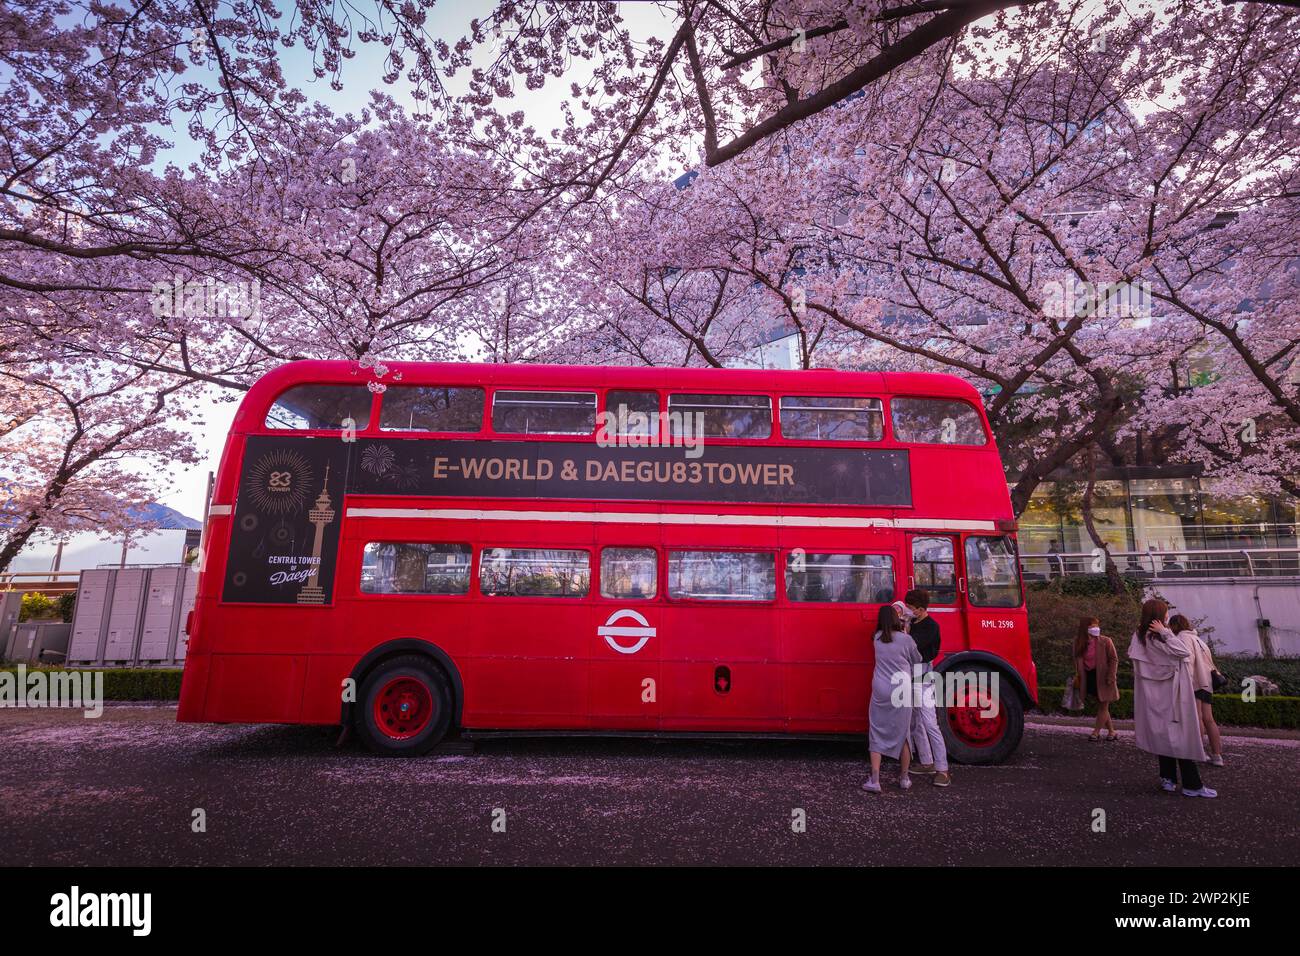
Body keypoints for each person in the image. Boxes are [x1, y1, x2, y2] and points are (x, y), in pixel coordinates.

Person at [1128, 598, 1216, 798]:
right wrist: (1165, 632)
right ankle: (1192, 785)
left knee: (1163, 735)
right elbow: (1182, 652)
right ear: (1160, 616)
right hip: (1173, 693)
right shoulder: (1160, 637)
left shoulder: (1140, 636)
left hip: (1152, 693)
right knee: (1183, 737)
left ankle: (1167, 778)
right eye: (1165, 612)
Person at [863, 603, 920, 794]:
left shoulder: (876, 639)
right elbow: (917, 659)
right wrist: (907, 629)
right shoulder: (907, 640)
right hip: (901, 688)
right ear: (898, 619)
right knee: (903, 732)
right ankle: (904, 778)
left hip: (880, 688)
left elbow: (886, 635)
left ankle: (875, 779)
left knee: (877, 730)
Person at [902, 588, 951, 787]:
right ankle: (926, 761)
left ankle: (943, 769)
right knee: (915, 722)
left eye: (911, 608)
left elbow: (911, 646)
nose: (908, 610)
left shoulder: (931, 627)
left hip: (923, 677)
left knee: (929, 722)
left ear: (921, 609)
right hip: (909, 676)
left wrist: (904, 630)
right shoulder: (913, 622)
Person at [1172, 613, 1224, 767]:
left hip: (1195, 681)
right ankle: (1217, 755)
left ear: (1175, 625)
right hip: (1207, 682)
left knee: (1197, 718)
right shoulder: (1198, 639)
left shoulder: (1183, 638)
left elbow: (1187, 660)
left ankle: (1199, 752)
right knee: (1209, 719)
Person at [1073, 616, 1119, 741]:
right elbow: (1077, 661)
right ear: (1085, 628)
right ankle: (1112, 732)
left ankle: (1096, 732)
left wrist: (1111, 675)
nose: (1095, 628)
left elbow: (1114, 659)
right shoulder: (1079, 642)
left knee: (1103, 705)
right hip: (1089, 678)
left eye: (1096, 626)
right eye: (1092, 626)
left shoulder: (1105, 641)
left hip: (1104, 678)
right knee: (1102, 705)